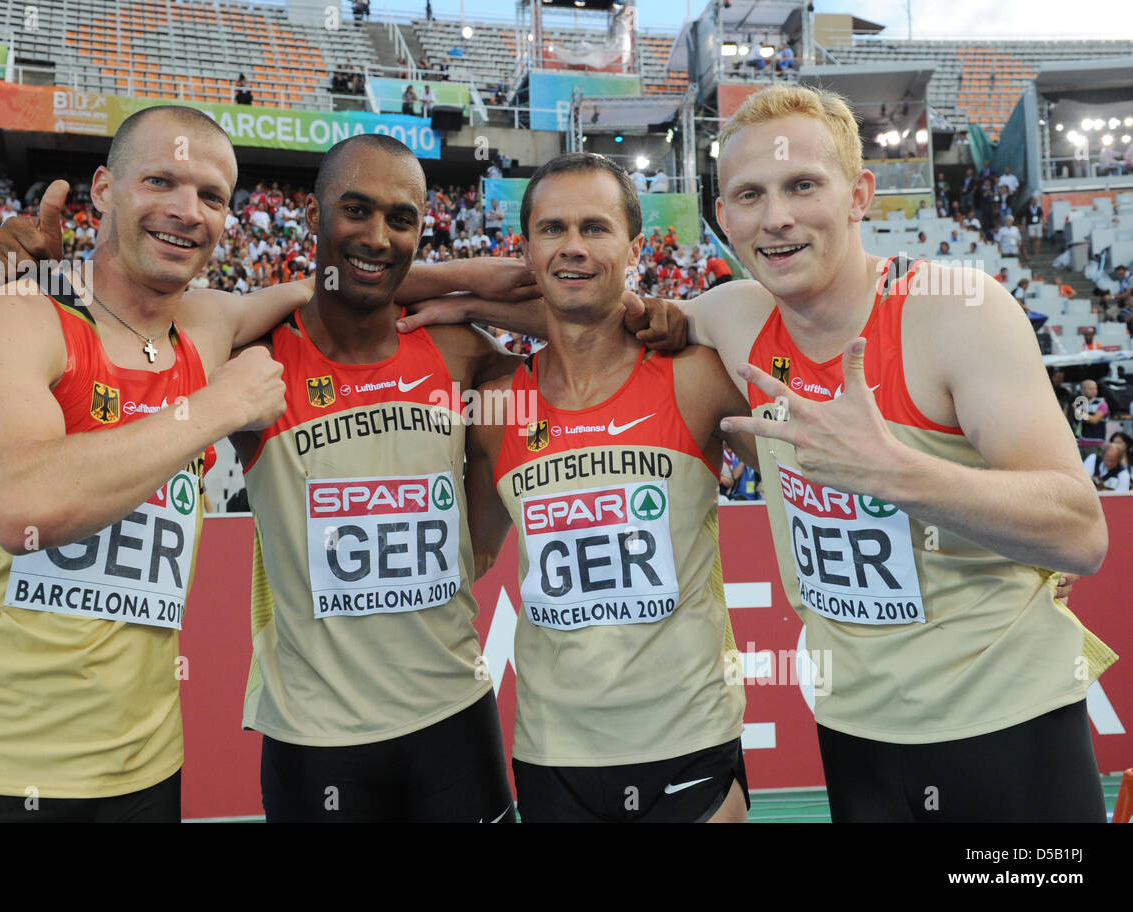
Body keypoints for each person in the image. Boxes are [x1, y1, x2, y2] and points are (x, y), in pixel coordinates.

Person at [404, 83, 1116, 822]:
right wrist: (461, 293)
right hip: (859, 733)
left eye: (802, 186)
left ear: (859, 194)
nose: (776, 218)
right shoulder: (733, 320)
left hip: (1009, 726)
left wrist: (897, 471)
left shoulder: (955, 312)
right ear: (723, 218)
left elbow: (1082, 531)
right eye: (750, 195)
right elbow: (592, 306)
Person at [0, 106, 531, 823]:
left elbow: (348, 282)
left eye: (212, 197)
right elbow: (21, 506)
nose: (186, 211)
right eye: (161, 181)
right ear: (102, 189)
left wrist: (471, 280)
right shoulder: (9, 316)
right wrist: (216, 409)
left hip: (141, 774)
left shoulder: (206, 328)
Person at [231, 135, 534, 823]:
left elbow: (577, 315)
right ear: (314, 214)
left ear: (422, 231)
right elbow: (154, 329)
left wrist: (472, 298)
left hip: (454, 714)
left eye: (401, 220)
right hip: (317, 739)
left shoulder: (459, 355)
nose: (376, 235)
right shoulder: (257, 362)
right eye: (356, 210)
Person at [465, 153, 754, 822]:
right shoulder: (497, 406)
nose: (572, 246)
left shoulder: (698, 376)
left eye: (595, 228)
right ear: (527, 251)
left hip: (689, 743)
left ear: (634, 247)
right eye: (552, 229)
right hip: (551, 751)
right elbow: (474, 556)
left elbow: (803, 475)